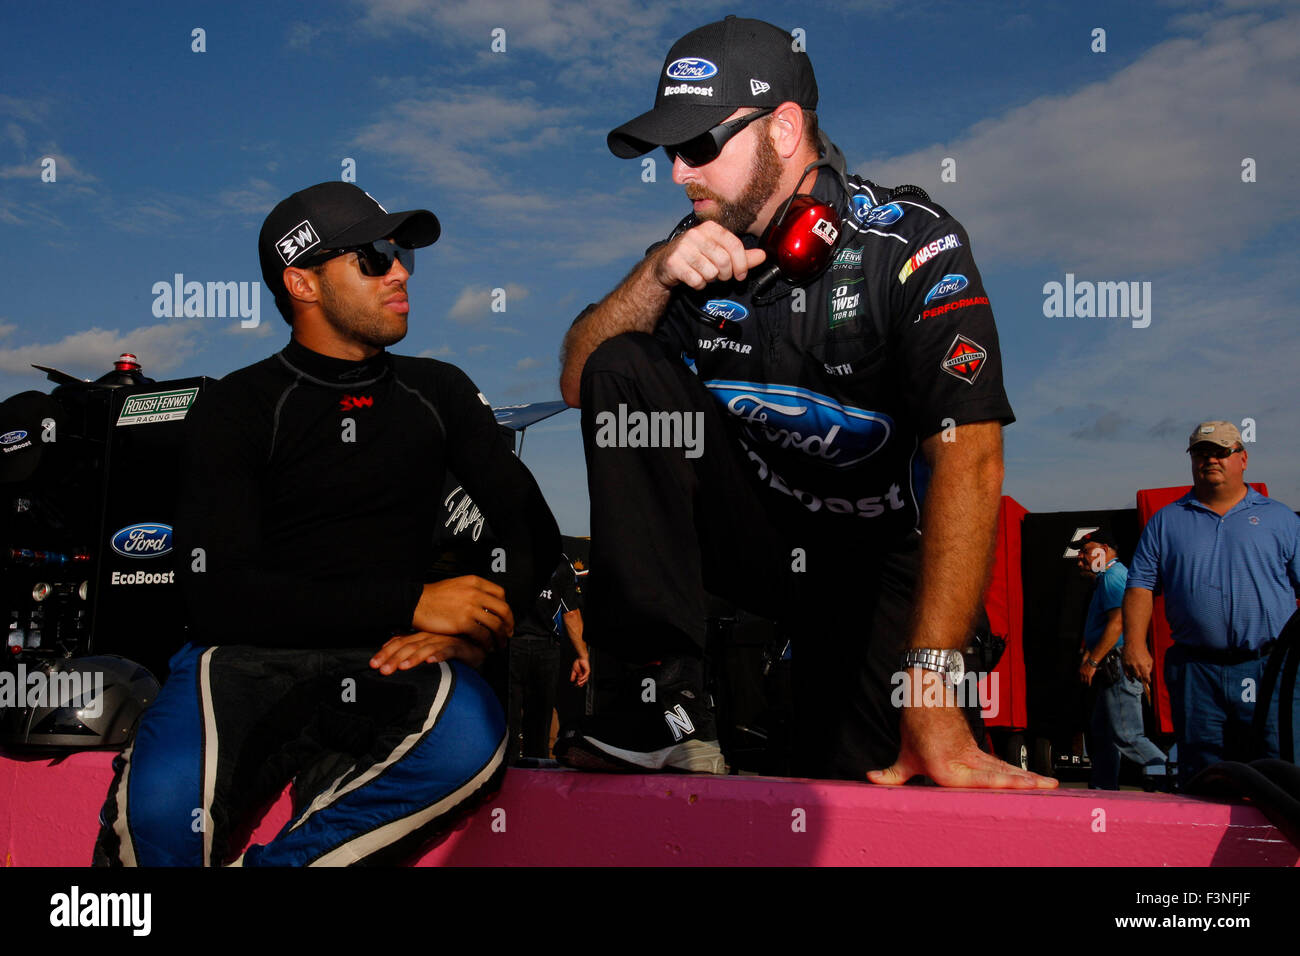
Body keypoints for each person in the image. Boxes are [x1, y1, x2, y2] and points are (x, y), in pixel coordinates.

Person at [555, 16, 1054, 788]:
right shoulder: (689, 252)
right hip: (756, 541)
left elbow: (972, 457)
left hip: (879, 570)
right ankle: (657, 707)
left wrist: (929, 684)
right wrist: (656, 275)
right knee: (624, 364)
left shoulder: (912, 247)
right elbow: (581, 386)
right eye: (668, 154)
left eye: (696, 147)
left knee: (874, 803)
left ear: (784, 130)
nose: (679, 174)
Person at [94, 181, 560, 866]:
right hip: (244, 659)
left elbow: (530, 531)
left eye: (402, 253)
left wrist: (478, 635)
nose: (400, 270)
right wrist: (413, 601)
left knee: (467, 741)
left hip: (384, 659)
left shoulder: (439, 393)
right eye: (373, 256)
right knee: (157, 823)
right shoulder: (238, 405)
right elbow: (218, 594)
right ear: (302, 282)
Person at [1123, 421, 1300, 785]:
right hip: (1196, 669)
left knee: (1278, 766)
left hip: (1268, 665)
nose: (1211, 460)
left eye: (1221, 452)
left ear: (1243, 458)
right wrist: (1136, 645)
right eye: (1203, 453)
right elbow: (1140, 584)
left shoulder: (1279, 519)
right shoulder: (1166, 522)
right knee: (1204, 771)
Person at [1074, 532, 1166, 790]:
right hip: (1110, 666)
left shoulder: (1113, 576)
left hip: (1115, 665)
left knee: (1127, 735)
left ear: (1104, 549)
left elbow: (1118, 621)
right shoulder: (1107, 578)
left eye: (1085, 550)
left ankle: (1167, 773)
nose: (1080, 557)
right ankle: (1103, 790)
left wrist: (1092, 661)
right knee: (1103, 735)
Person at [507, 555, 589, 761]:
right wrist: (583, 656)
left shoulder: (509, 551)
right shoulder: (560, 562)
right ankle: (534, 776)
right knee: (539, 723)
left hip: (511, 644)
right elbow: (571, 614)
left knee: (507, 717)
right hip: (543, 646)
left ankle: (506, 772)